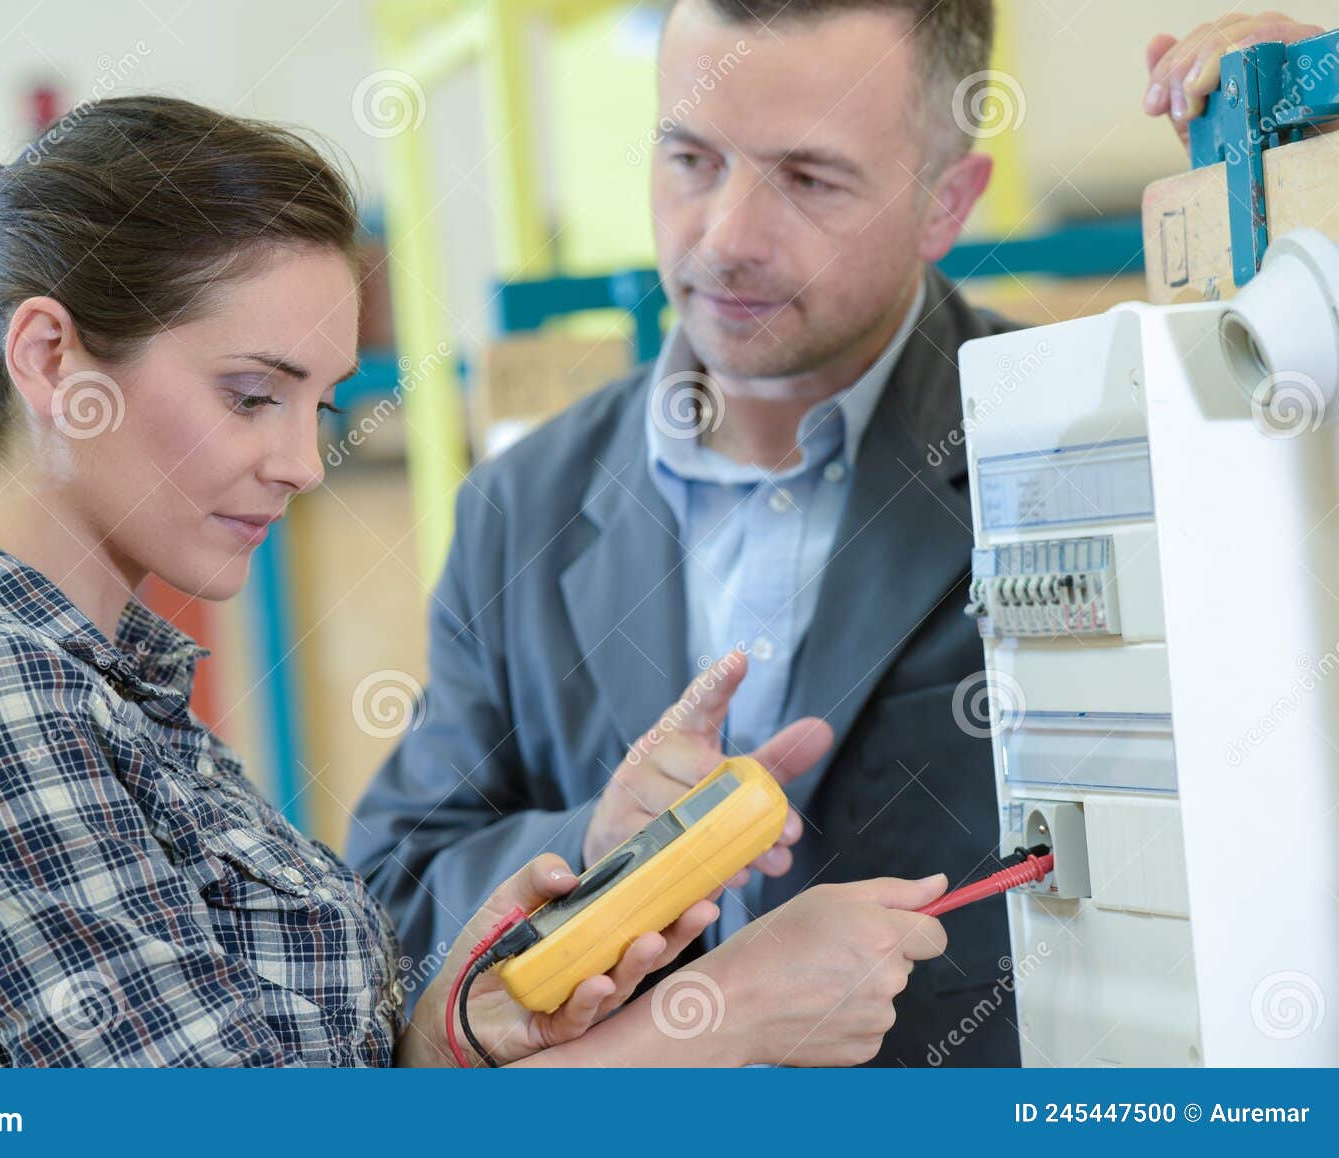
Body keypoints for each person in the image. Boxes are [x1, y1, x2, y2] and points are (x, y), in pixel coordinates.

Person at [0, 94, 949, 1068]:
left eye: (321, 404)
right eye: (252, 395)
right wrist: (726, 1017)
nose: (300, 462)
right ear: (51, 360)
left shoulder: (102, 694)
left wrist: (466, 1019)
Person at [350, 0, 1325, 1067]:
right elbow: (394, 892)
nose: (724, 235)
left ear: (945, 203)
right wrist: (593, 848)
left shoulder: (1098, 443)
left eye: (808, 180)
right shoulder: (521, 503)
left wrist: (1308, 183)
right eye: (688, 158)